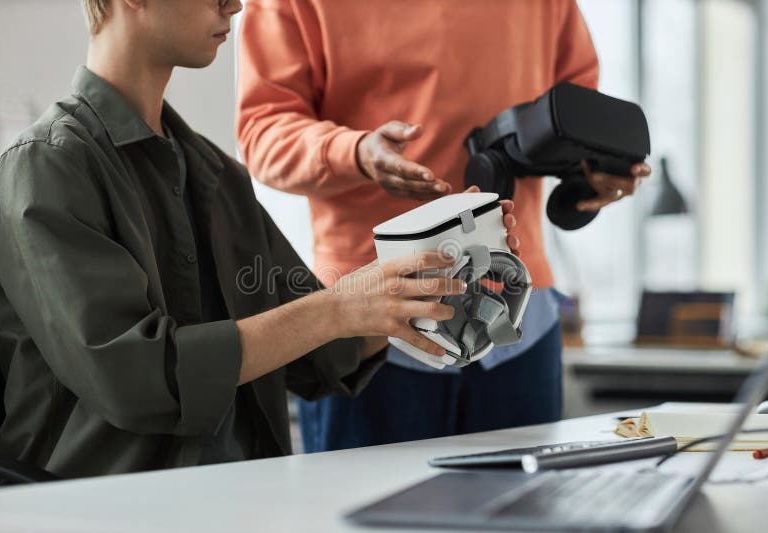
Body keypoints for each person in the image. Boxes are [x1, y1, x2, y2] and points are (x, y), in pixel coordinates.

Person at [0, 0, 517, 479]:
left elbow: (316, 356)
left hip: (243, 499)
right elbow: (141, 379)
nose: (235, 5)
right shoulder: (46, 167)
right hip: (101, 511)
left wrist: (433, 279)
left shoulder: (218, 177)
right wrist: (340, 307)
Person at [236, 0, 651, 452]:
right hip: (375, 318)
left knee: (527, 519)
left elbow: (576, 107)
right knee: (368, 519)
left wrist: (595, 165)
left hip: (517, 310)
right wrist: (354, 152)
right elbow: (263, 130)